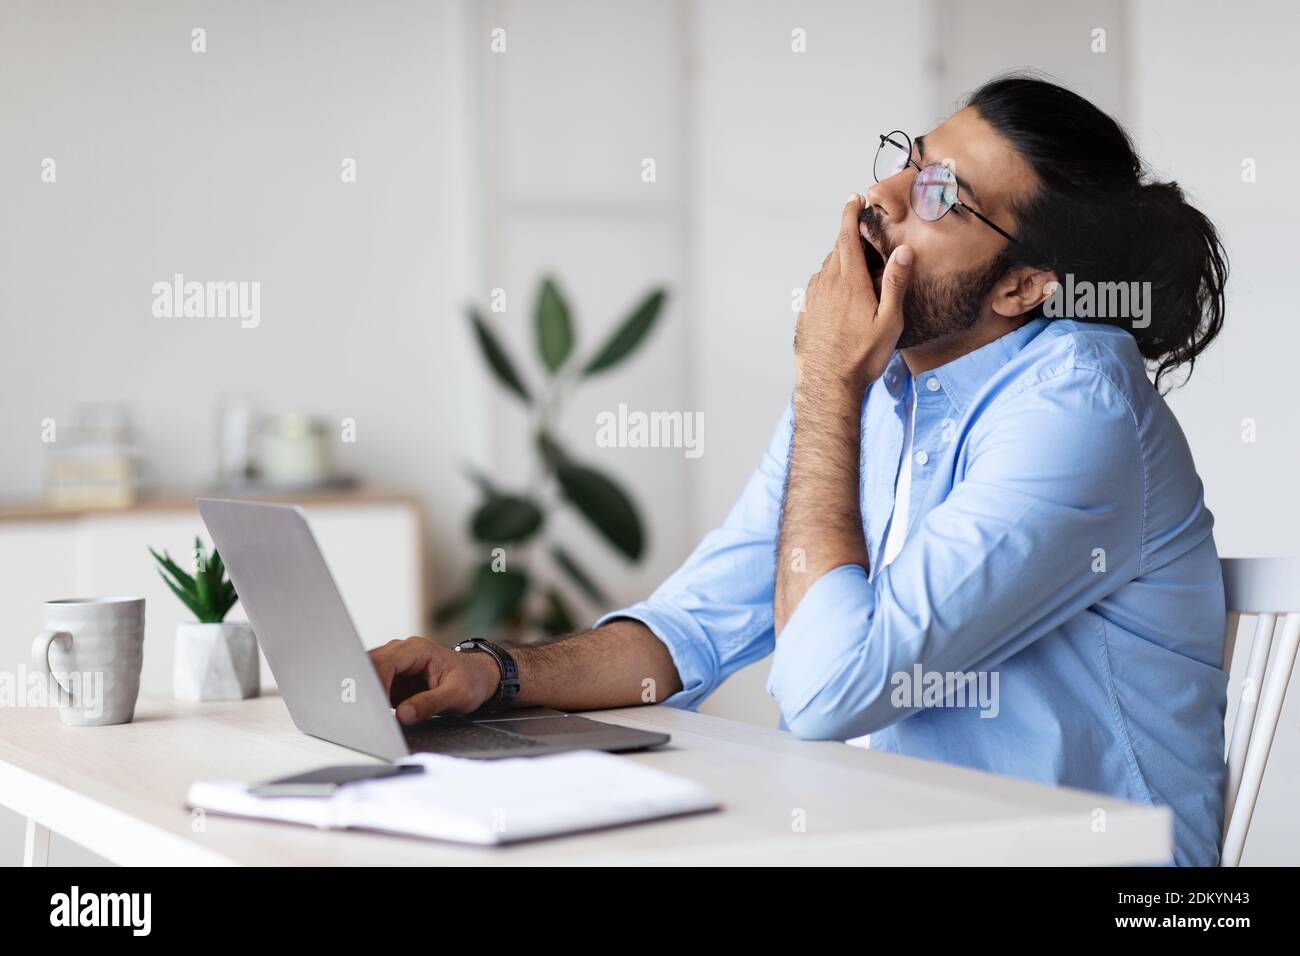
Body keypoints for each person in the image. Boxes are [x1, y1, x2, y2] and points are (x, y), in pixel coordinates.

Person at [369, 74, 1230, 866]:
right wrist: (494, 673)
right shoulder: (872, 383)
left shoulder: (1077, 410)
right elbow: (692, 627)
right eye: (909, 160)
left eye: (941, 196)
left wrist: (826, 382)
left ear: (1023, 287)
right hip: (903, 839)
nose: (881, 197)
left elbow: (826, 694)